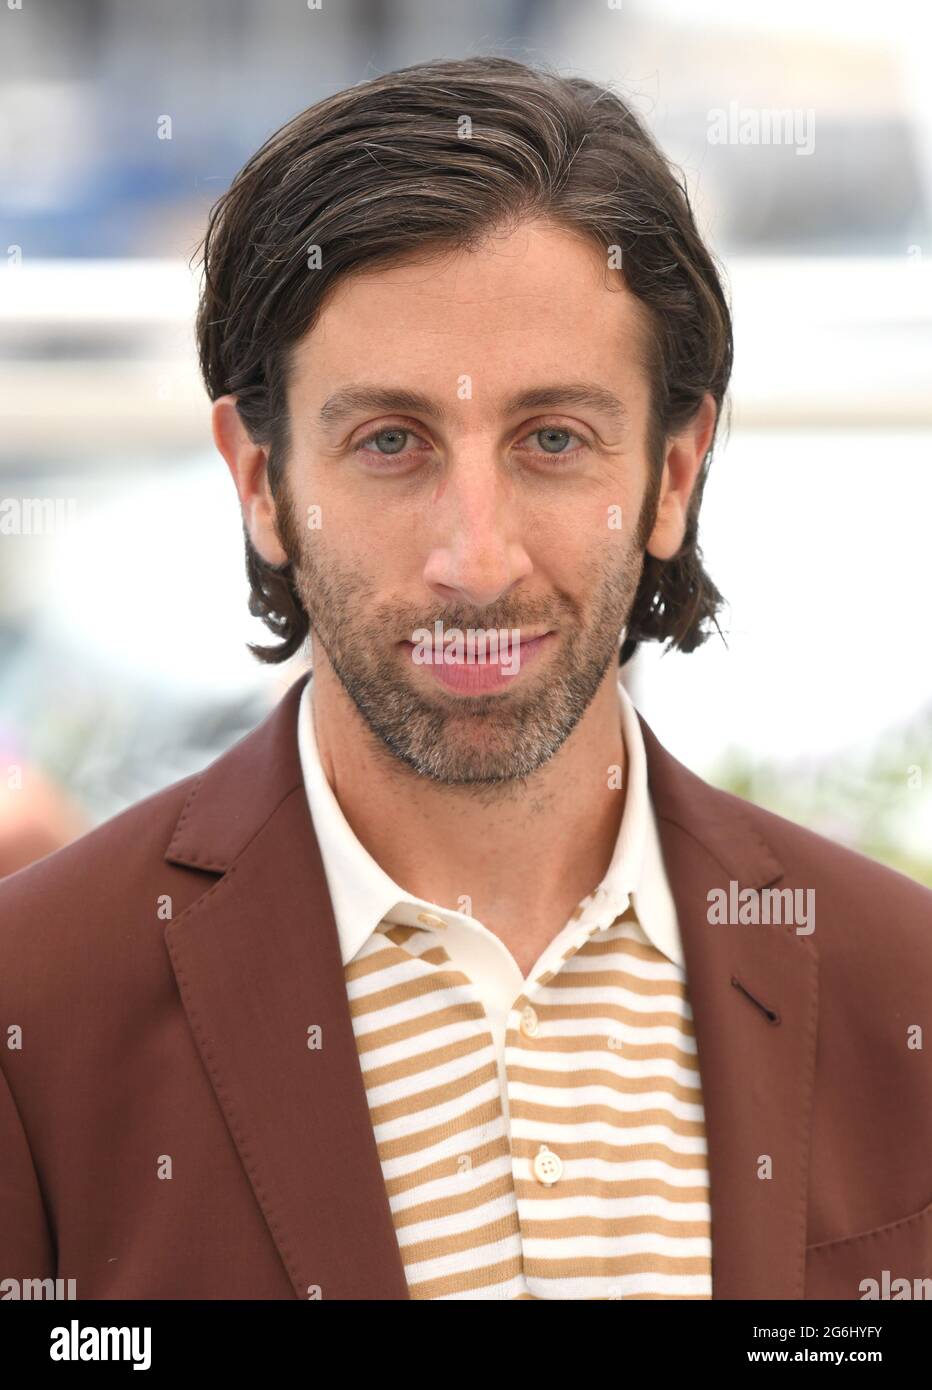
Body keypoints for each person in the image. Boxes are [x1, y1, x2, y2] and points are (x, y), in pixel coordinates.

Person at [1, 56, 929, 1302]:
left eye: (552, 439)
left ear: (669, 474)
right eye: (390, 442)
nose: (473, 559)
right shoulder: (37, 1012)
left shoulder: (899, 986)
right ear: (261, 480)